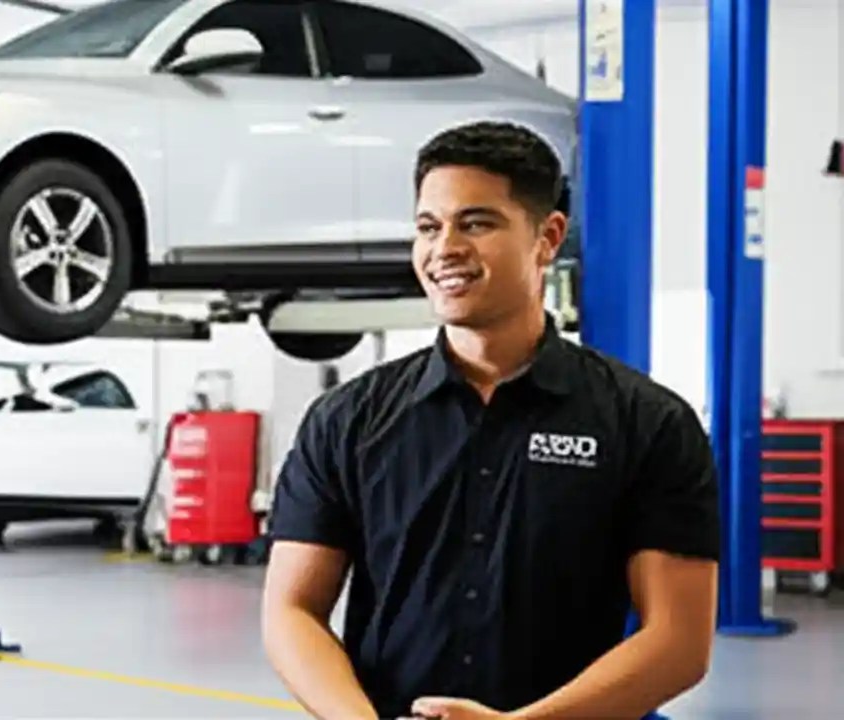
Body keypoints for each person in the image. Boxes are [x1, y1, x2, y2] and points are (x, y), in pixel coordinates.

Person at [261, 121, 720, 720]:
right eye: (428, 227)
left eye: (476, 223)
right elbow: (290, 610)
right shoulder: (347, 421)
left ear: (547, 237)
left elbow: (680, 642)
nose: (444, 248)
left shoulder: (647, 424)